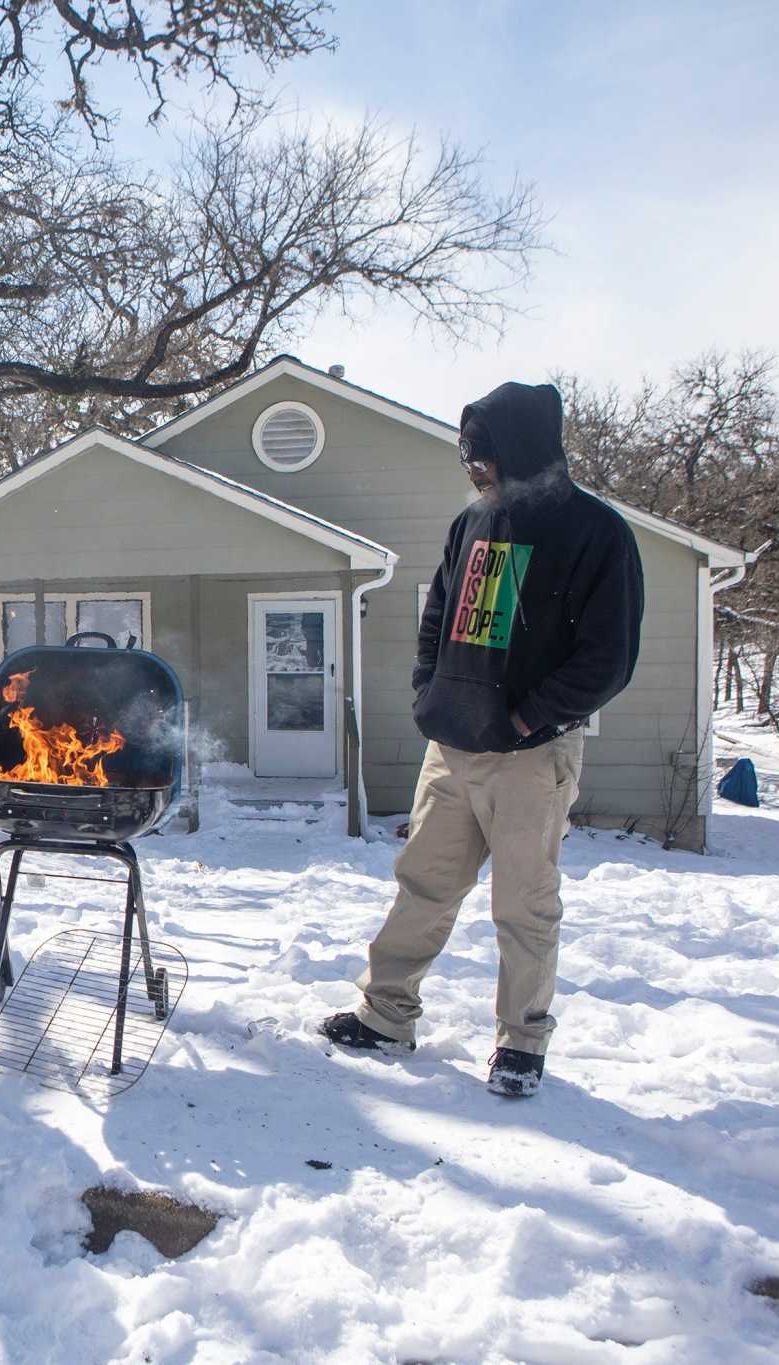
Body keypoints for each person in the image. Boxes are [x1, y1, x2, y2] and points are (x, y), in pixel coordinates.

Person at [320, 380, 644, 1098]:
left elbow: (608, 659)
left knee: (523, 902)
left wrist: (529, 720)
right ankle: (385, 1015)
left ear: (521, 448)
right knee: (422, 885)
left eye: (484, 454)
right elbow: (438, 614)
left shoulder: (595, 533)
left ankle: (521, 1042)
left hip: (530, 757)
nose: (473, 468)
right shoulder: (473, 524)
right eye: (467, 454)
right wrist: (428, 694)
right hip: (454, 747)